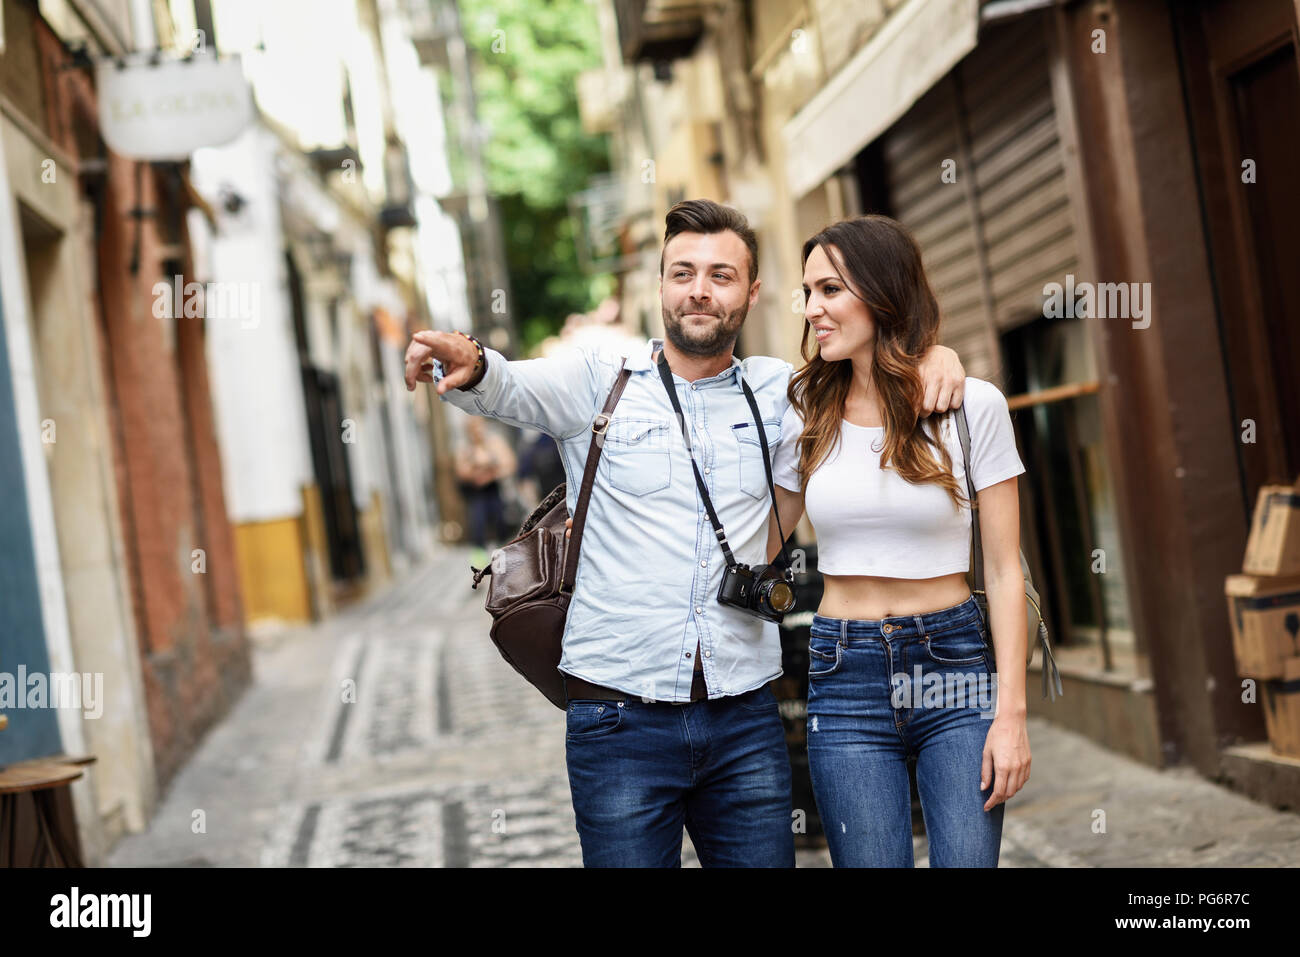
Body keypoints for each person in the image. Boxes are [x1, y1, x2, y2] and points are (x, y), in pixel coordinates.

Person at [404, 199, 966, 868]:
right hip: (617, 721)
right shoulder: (598, 382)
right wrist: (465, 358)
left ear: (752, 293)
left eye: (721, 275)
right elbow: (503, 383)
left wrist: (938, 354)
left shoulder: (784, 393)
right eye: (683, 272)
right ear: (661, 285)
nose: (700, 289)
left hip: (746, 719)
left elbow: (875, 367)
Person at [767, 214, 1030, 867]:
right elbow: (758, 536)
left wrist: (1012, 715)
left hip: (954, 666)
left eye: (829, 290)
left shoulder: (973, 406)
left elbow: (1003, 573)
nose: (812, 309)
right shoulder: (805, 411)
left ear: (881, 292)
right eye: (807, 293)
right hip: (842, 672)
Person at [454, 417, 516, 566]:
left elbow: (508, 464)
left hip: (496, 489)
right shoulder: (465, 448)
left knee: (502, 526)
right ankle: (479, 568)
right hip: (476, 492)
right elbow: (461, 471)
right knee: (477, 528)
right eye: (472, 428)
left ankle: (503, 565)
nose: (477, 431)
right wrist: (478, 468)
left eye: (479, 427)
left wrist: (490, 467)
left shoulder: (494, 443)